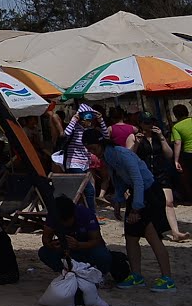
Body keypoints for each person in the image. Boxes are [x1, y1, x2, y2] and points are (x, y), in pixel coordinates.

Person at [86, 127, 175, 291]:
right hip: (137, 194)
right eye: (88, 149)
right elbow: (119, 180)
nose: (92, 152)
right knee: (131, 236)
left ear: (101, 143)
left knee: (152, 235)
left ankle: (167, 278)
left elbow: (139, 181)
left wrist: (136, 209)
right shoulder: (107, 156)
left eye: (93, 148)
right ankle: (136, 275)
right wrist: (118, 200)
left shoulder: (122, 154)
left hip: (149, 193)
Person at [135, 120, 187, 241]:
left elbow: (169, 154)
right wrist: (136, 143)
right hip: (145, 174)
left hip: (161, 173)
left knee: (169, 202)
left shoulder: (158, 137)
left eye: (151, 122)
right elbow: (130, 154)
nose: (149, 126)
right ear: (141, 124)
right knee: (151, 204)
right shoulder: (135, 137)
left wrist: (162, 137)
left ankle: (175, 232)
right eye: (146, 123)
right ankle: (154, 230)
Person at [38, 194, 114, 277]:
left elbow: (97, 240)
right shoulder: (53, 216)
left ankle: (100, 276)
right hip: (66, 250)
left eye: (65, 222)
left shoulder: (85, 214)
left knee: (103, 255)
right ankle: (65, 272)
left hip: (87, 248)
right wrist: (52, 245)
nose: (63, 225)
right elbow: (46, 239)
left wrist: (78, 245)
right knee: (44, 252)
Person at [172, 103, 192, 202]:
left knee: (189, 176)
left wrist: (176, 160)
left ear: (175, 115)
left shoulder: (176, 127)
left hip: (189, 153)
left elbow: (177, 143)